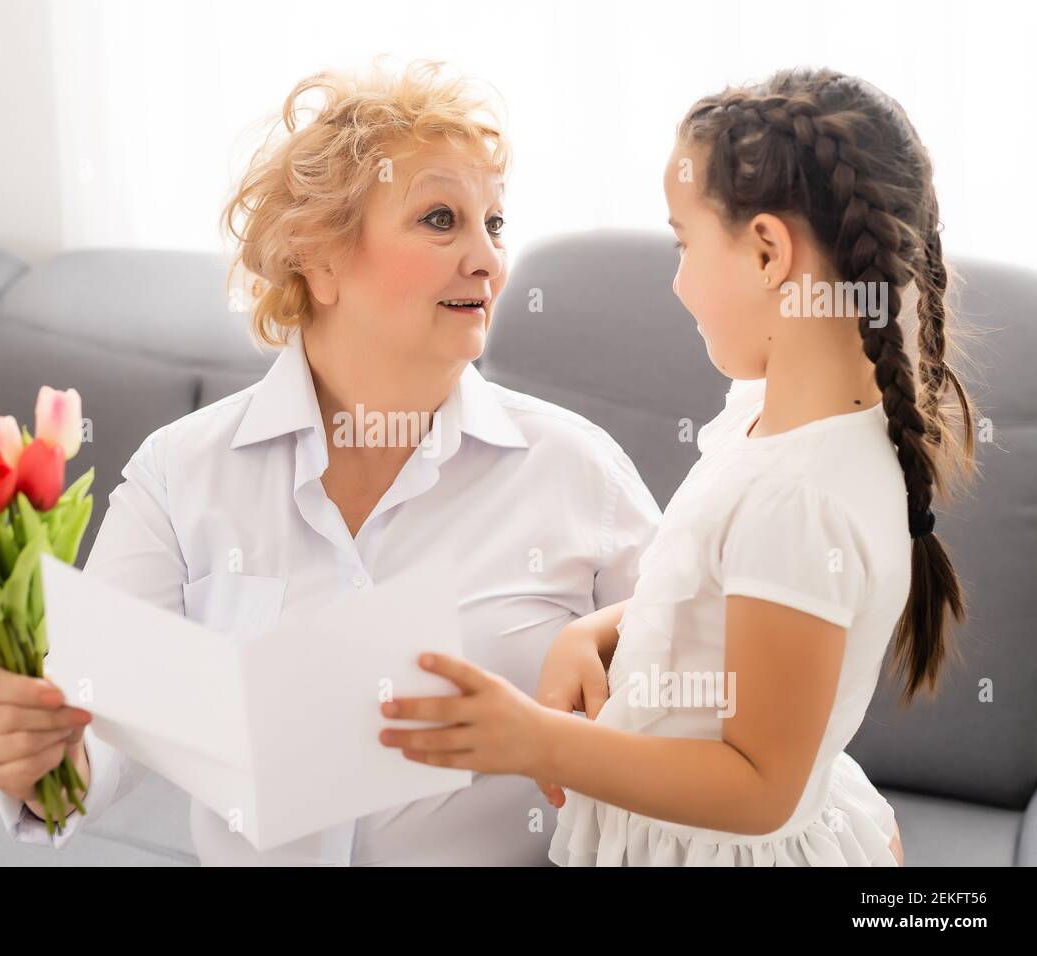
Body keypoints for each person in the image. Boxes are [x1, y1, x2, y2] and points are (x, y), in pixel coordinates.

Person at [0, 59, 661, 865]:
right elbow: (96, 737)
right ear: (318, 259)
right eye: (441, 219)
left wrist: (611, 630)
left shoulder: (578, 472)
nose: (488, 260)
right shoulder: (180, 474)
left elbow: (717, 666)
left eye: (494, 224)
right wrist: (30, 749)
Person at [380, 67, 977, 866]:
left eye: (684, 242)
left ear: (768, 252)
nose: (677, 279)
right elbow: (720, 602)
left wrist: (539, 742)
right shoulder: (774, 420)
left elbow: (757, 785)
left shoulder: (798, 501)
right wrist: (593, 636)